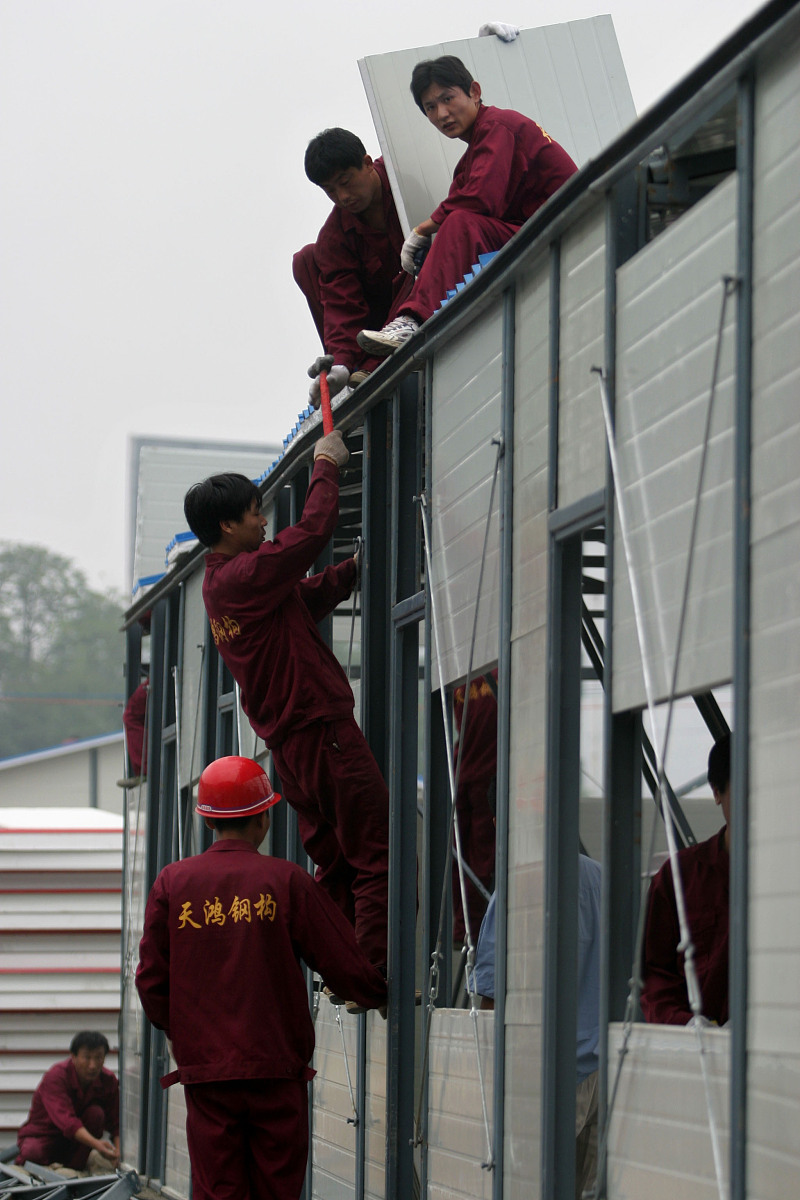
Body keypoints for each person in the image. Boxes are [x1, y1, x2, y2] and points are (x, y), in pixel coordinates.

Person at [136, 756, 387, 1200]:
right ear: (265, 818)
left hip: (208, 1075)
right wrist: (376, 991)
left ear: (208, 820)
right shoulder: (286, 881)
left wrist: (180, 1032)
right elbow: (339, 959)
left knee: (219, 1191)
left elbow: (151, 980)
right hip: (276, 1072)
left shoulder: (173, 883)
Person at [183, 432, 390, 970]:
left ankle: (331, 969)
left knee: (339, 863)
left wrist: (353, 571)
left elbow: (304, 597)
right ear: (228, 526)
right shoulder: (246, 573)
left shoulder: (224, 585)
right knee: (378, 853)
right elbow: (313, 531)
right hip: (322, 732)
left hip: (294, 749)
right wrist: (325, 465)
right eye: (255, 514)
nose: (264, 523)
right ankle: (366, 975)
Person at [357, 55, 577, 356]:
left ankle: (411, 320)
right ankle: (388, 340)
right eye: (430, 108)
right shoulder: (468, 162)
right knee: (431, 251)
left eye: (447, 99)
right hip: (531, 232)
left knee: (459, 222)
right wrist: (425, 244)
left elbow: (478, 199)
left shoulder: (500, 126)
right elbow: (461, 209)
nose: (442, 113)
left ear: (474, 91)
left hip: (569, 226)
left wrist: (423, 227)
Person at [471, 856, 601, 1200]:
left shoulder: (519, 884)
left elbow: (492, 997)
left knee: (526, 1187)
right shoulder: (603, 876)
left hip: (548, 1075)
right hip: (603, 1069)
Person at [294, 128, 414, 405]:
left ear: (368, 162)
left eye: (346, 182)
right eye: (330, 191)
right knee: (305, 259)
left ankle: (371, 362)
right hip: (374, 325)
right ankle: (354, 362)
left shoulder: (407, 175)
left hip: (423, 294)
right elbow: (341, 304)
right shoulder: (335, 236)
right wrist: (341, 362)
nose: (343, 196)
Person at [641, 733, 731, 1026]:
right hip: (701, 1059)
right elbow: (654, 975)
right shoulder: (679, 878)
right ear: (717, 792)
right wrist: (686, 1023)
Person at [16, 1032, 119, 1171]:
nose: (93, 1065)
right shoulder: (56, 1076)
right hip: (45, 1137)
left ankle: (75, 1170)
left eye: (98, 1058)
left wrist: (119, 1153)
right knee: (32, 1152)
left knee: (96, 1114)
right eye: (87, 1057)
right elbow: (67, 1122)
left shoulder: (108, 1080)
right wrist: (97, 1144)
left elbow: (116, 1122)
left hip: (78, 1146)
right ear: (73, 1056)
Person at [451, 672, 497, 946]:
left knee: (464, 855)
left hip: (465, 771)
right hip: (481, 774)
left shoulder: (461, 678)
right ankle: (471, 929)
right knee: (477, 856)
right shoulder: (498, 671)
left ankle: (465, 928)